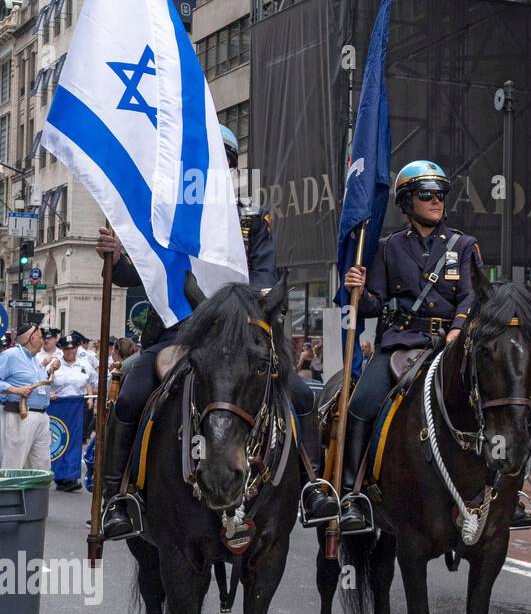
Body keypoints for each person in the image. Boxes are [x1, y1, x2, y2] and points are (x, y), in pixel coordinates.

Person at [95, 124, 338, 540]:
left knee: (298, 394)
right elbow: (140, 273)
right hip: (178, 332)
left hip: (237, 333)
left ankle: (312, 487)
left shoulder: (251, 216)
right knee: (133, 391)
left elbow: (263, 277)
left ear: (230, 166)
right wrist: (115, 259)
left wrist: (239, 309)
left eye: (221, 161)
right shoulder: (164, 213)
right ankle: (118, 497)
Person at [336, 159, 482, 534]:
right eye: (426, 194)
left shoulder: (463, 246)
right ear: (406, 201)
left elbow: (471, 295)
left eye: (440, 194)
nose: (436, 201)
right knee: (361, 404)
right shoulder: (386, 248)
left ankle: (502, 494)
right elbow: (373, 304)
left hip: (448, 346)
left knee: (497, 403)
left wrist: (458, 330)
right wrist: (356, 287)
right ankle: (353, 494)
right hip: (399, 345)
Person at [0, 316, 54, 472]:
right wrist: (14, 389)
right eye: (40, 337)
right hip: (20, 414)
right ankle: (8, 496)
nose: (43, 341)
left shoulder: (36, 360)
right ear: (31, 339)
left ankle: (35, 497)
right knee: (14, 464)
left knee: (42, 466)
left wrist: (50, 372)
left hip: (42, 415)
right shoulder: (11, 355)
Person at [48, 333, 93, 491]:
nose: (70, 352)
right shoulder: (54, 365)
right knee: (58, 442)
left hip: (76, 407)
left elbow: (94, 381)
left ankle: (70, 476)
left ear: (77, 348)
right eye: (66, 349)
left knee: (74, 441)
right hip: (57, 407)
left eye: (72, 348)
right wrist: (48, 393)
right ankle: (58, 475)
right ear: (62, 350)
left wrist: (92, 398)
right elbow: (41, 381)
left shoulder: (84, 365)